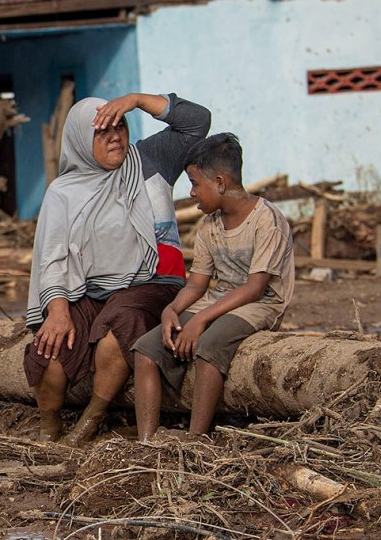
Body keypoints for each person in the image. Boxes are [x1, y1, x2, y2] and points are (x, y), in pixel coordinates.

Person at [25, 91, 211, 445]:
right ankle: (48, 430)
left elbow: (197, 122)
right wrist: (58, 310)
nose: (115, 136)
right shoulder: (62, 192)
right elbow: (52, 257)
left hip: (155, 282)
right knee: (49, 347)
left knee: (120, 323)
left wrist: (138, 101)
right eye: (102, 131)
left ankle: (88, 423)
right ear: (82, 140)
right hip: (89, 291)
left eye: (120, 125)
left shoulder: (148, 161)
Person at [130, 133, 295, 438]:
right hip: (219, 300)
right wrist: (172, 310)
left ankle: (195, 439)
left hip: (260, 305)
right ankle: (146, 442)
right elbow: (196, 285)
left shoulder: (267, 220)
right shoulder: (209, 225)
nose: (192, 193)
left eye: (195, 183)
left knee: (208, 347)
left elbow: (256, 287)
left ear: (219, 182)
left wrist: (202, 320)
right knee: (146, 349)